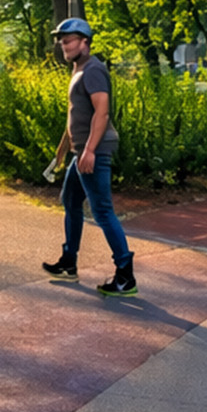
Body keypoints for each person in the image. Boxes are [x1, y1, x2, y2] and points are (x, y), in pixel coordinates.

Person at [41, 18, 136, 297]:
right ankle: (69, 262)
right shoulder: (79, 70)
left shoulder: (93, 70)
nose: (64, 46)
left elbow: (101, 112)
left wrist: (90, 150)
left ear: (85, 41)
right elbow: (75, 116)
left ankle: (125, 275)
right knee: (70, 200)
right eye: (62, 42)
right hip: (79, 152)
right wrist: (61, 153)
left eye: (69, 40)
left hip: (94, 151)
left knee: (103, 211)